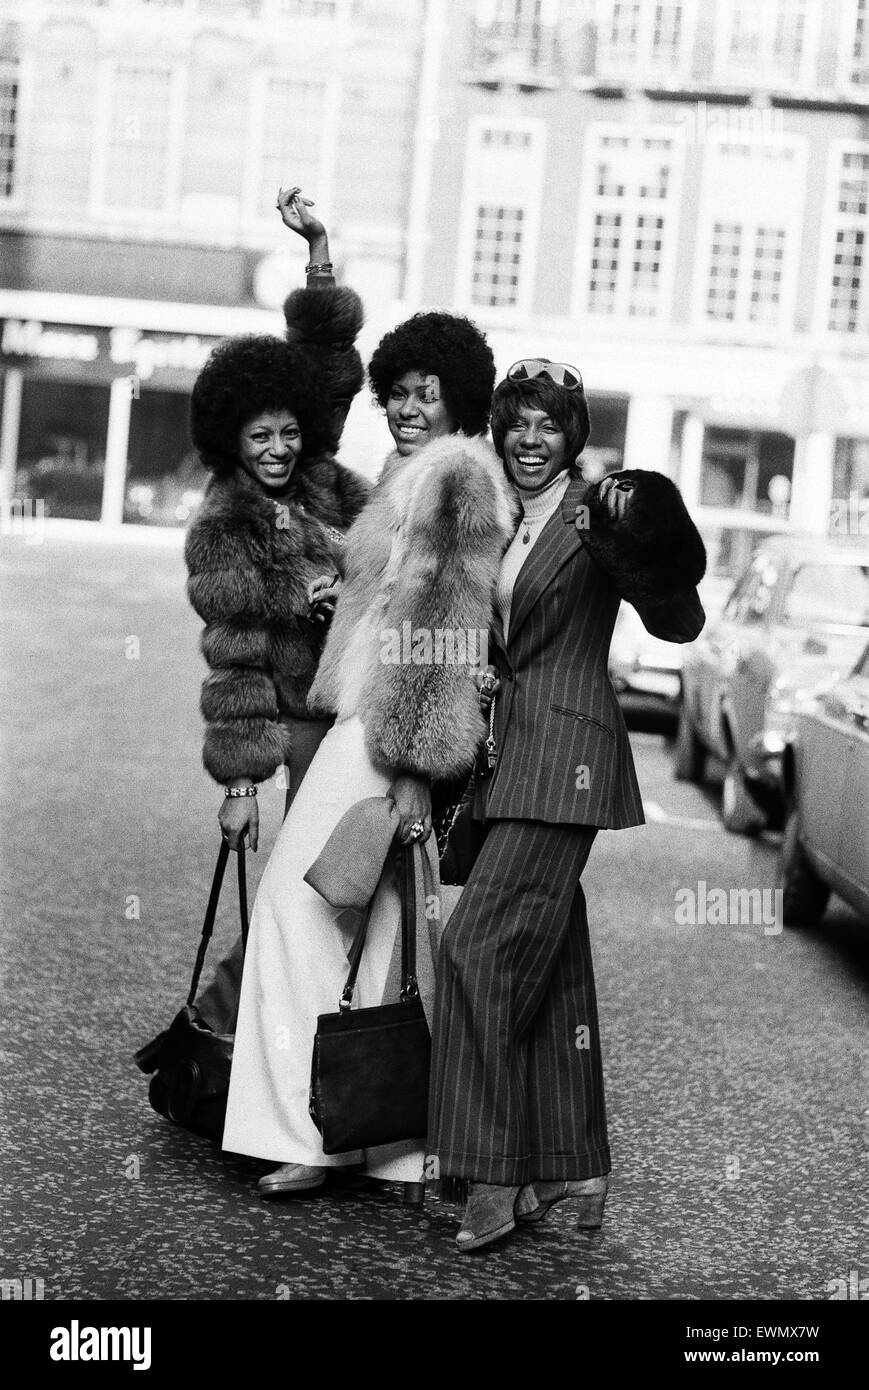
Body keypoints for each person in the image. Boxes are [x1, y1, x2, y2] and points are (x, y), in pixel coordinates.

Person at [222, 312, 518, 1198]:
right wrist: (342, 592)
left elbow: (448, 621)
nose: (403, 406)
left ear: (458, 396)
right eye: (395, 391)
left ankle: (305, 1134)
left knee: (293, 903)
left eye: (424, 391)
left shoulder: (458, 473)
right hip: (375, 715)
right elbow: (397, 595)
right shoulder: (414, 471)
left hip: (388, 730)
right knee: (375, 925)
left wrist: (416, 764)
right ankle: (371, 1139)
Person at [427, 357, 707, 1252]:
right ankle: (572, 1166)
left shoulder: (595, 517)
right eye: (517, 423)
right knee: (548, 976)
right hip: (511, 757)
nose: (530, 439)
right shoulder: (500, 519)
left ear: (572, 436)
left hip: (567, 761)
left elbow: (678, 624)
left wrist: (655, 545)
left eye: (548, 425)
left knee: (471, 950)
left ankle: (494, 1177)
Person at [184, 190, 371, 1035]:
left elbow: (329, 361)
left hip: (354, 718)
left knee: (349, 893)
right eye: (259, 437)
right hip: (295, 725)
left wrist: (319, 248)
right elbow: (235, 660)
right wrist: (239, 785)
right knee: (301, 894)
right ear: (233, 440)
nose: (278, 449)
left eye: (288, 433)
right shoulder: (225, 525)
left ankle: (274, 1038)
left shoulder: (326, 480)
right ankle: (232, 1033)